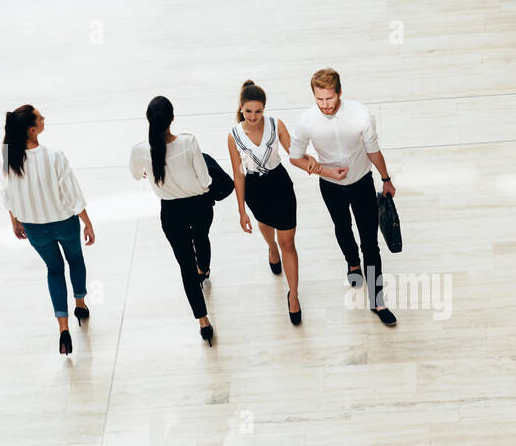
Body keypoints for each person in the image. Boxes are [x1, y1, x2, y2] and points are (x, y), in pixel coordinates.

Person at [288, 68, 397, 325]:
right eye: (319, 99)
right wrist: (323, 170)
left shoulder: (361, 115)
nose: (325, 105)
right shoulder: (306, 121)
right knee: (342, 227)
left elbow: (373, 151)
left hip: (362, 183)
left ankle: (378, 301)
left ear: (339, 93)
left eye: (329, 98)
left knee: (370, 242)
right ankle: (352, 263)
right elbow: (295, 157)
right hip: (330, 186)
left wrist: (386, 179)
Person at [129, 95, 228, 346]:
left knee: (185, 265)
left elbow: (135, 174)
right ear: (173, 118)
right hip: (199, 205)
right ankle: (204, 269)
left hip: (171, 213)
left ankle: (203, 321)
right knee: (202, 237)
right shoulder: (188, 142)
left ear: (149, 120)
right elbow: (205, 180)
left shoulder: (140, 150)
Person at [0, 105, 94, 356]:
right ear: (32, 130)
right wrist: (87, 221)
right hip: (64, 222)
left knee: (54, 270)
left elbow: (7, 194)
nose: (44, 119)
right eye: (40, 118)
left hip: (34, 228)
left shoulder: (8, 157)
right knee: (75, 260)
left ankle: (63, 328)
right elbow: (72, 193)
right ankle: (81, 304)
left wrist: (14, 220)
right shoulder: (54, 156)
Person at [228, 79, 302, 325]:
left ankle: (293, 296)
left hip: (279, 183)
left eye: (258, 111)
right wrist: (241, 210)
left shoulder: (275, 124)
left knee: (288, 242)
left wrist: (314, 160)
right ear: (241, 107)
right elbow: (238, 173)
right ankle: (271, 248)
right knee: (266, 226)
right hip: (254, 189)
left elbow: (294, 151)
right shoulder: (234, 135)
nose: (253, 116)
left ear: (264, 108)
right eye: (248, 111)